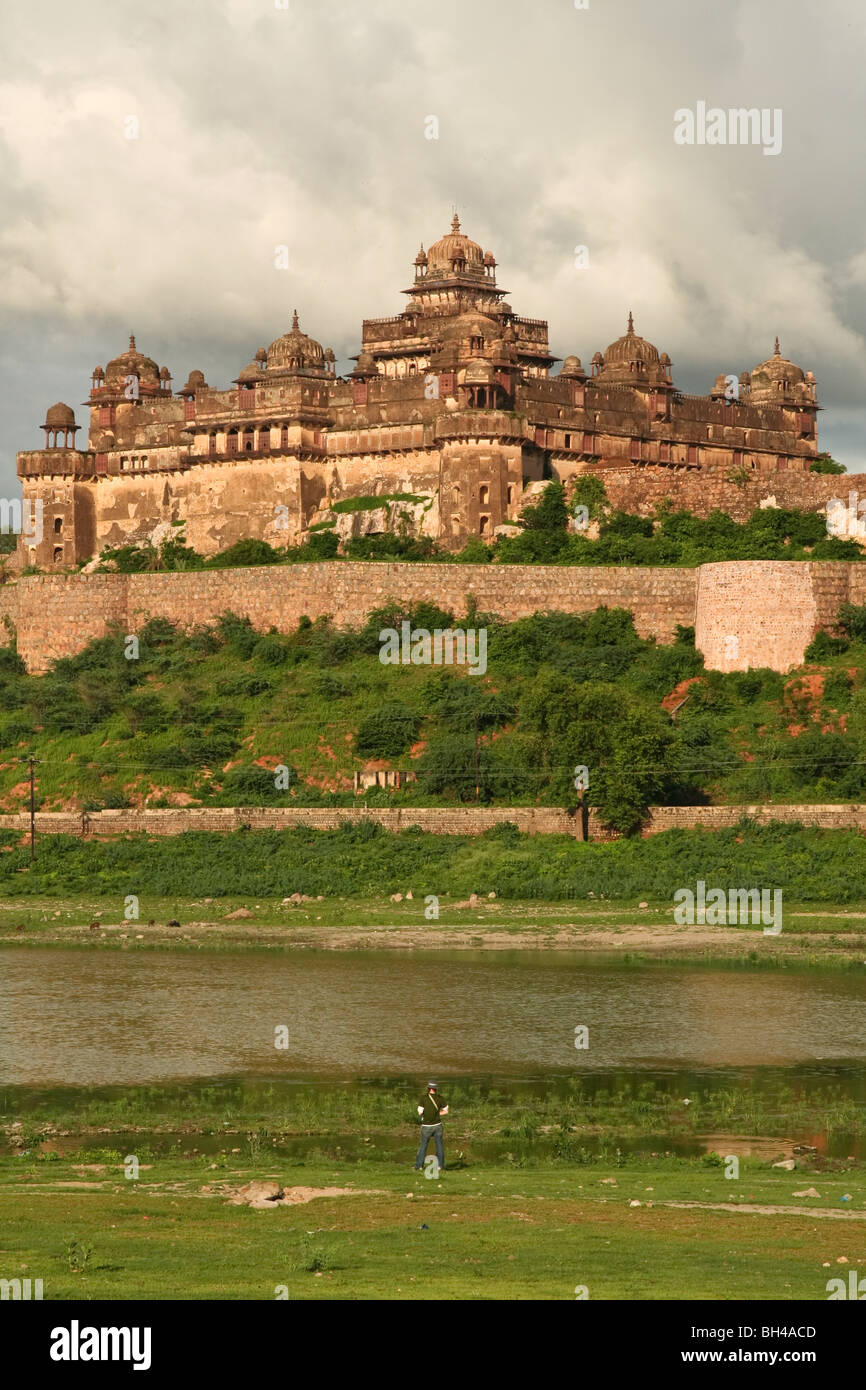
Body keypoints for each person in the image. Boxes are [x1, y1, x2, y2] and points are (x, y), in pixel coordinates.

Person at [413, 1081, 448, 1173]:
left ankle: (419, 1166)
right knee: (439, 1146)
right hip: (438, 1125)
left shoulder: (423, 1098)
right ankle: (440, 1166)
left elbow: (420, 1112)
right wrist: (437, 1114)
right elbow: (446, 1111)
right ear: (436, 1089)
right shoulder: (440, 1098)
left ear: (428, 1088)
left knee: (423, 1146)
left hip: (426, 1126)